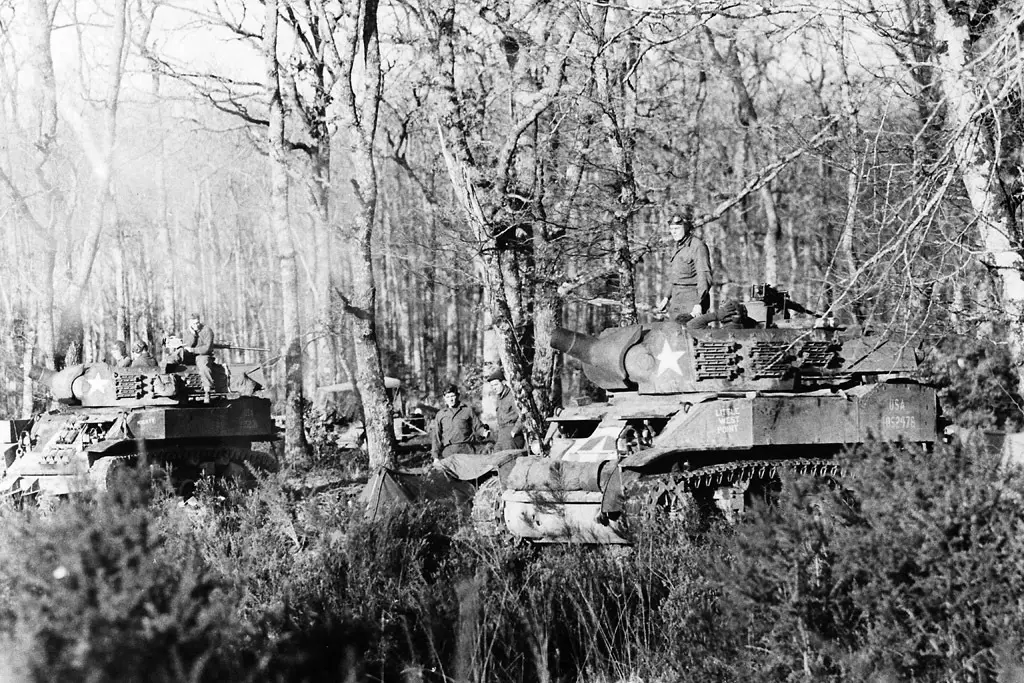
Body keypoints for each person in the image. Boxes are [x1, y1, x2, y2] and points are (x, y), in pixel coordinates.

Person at [656, 208, 713, 324]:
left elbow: (704, 275)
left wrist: (699, 303)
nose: (673, 232)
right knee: (672, 334)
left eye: (677, 228)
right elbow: (675, 276)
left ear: (686, 227)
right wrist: (667, 298)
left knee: (689, 337)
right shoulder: (677, 247)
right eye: (671, 229)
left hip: (692, 300)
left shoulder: (697, 246)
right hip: (676, 300)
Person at [431, 385, 486, 462]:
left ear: (457, 395)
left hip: (466, 450)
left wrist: (484, 432)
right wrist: (435, 456)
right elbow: (436, 437)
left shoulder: (467, 411)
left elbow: (478, 427)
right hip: (448, 452)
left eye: (452, 396)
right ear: (444, 398)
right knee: (450, 473)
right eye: (448, 397)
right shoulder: (440, 414)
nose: (451, 399)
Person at [169, 313, 215, 401]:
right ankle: (167, 368)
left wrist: (193, 350)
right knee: (180, 352)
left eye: (197, 323)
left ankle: (207, 391)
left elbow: (207, 348)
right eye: (193, 324)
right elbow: (187, 345)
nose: (196, 325)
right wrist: (192, 334)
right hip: (190, 355)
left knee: (204, 364)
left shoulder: (207, 330)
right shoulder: (187, 332)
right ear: (190, 323)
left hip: (202, 355)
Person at [487, 369, 525, 451]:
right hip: (501, 434)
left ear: (503, 382)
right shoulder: (499, 398)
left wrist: (515, 431)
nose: (494, 388)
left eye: (496, 385)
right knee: (496, 458)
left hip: (512, 434)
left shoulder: (512, 396)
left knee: (510, 460)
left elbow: (523, 414)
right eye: (492, 386)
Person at [686, 300, 758, 330]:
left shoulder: (716, 334)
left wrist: (716, 315)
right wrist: (743, 315)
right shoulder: (757, 332)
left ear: (722, 319)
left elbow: (691, 325)